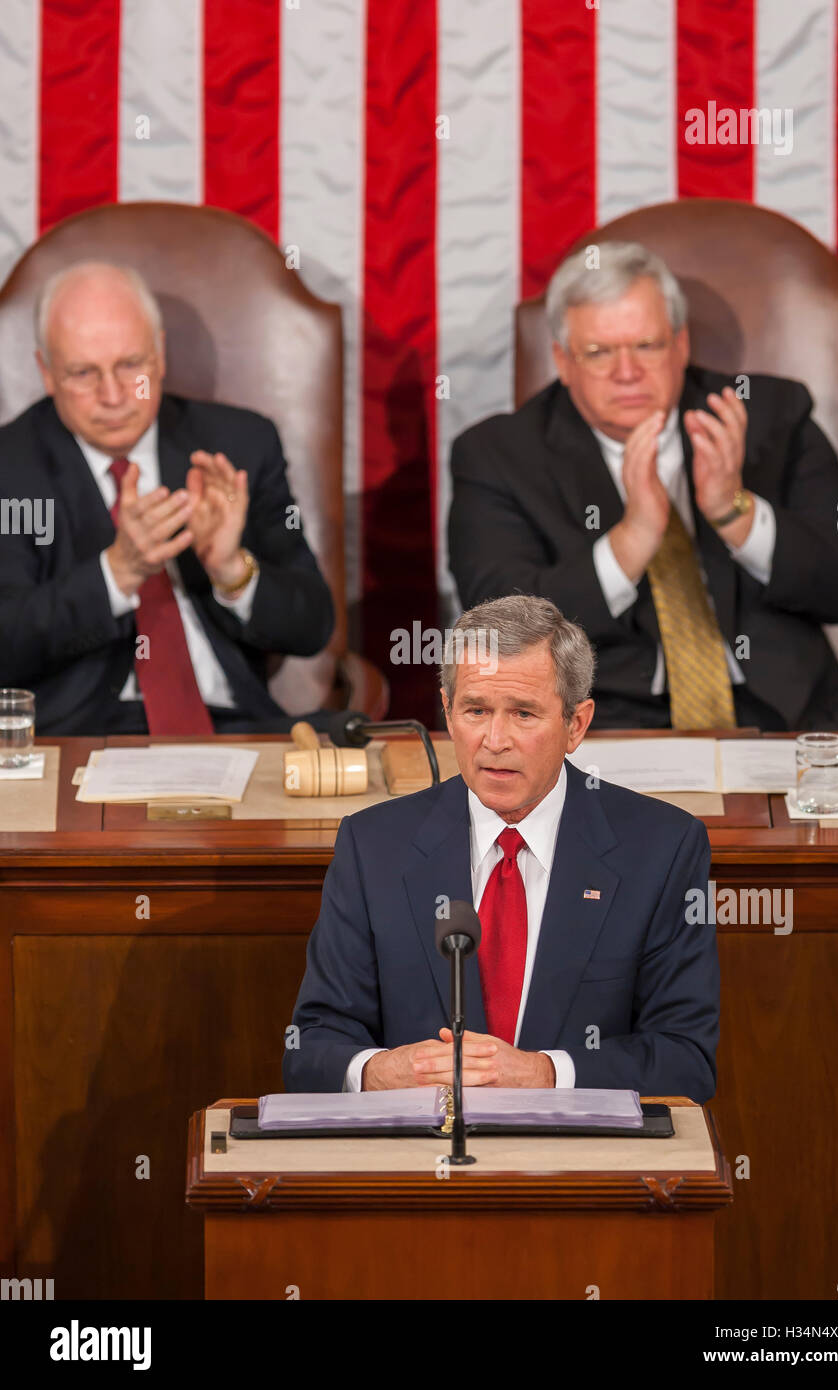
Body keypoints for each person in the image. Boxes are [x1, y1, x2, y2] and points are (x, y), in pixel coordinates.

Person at [284, 595, 719, 1101]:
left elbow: (685, 1061)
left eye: (524, 714)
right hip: (421, 1163)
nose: (495, 740)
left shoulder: (662, 849)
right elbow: (309, 1049)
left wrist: (544, 1074)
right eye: (476, 710)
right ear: (447, 712)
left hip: (578, 1167)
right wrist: (381, 1071)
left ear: (576, 724)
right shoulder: (373, 846)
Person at [448, 242, 838, 731]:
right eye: (599, 352)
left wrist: (735, 512)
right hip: (602, 728)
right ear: (563, 361)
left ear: (681, 345)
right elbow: (499, 630)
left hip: (793, 718)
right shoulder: (498, 455)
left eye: (647, 346)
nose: (627, 372)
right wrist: (630, 541)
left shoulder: (770, 417)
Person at [0, 260, 335, 735]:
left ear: (159, 354)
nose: (113, 395)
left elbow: (313, 626)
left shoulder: (239, 444)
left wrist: (232, 571)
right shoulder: (10, 468)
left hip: (235, 731)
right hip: (78, 741)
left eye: (130, 365)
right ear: (47, 373)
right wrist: (116, 574)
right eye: (83, 373)